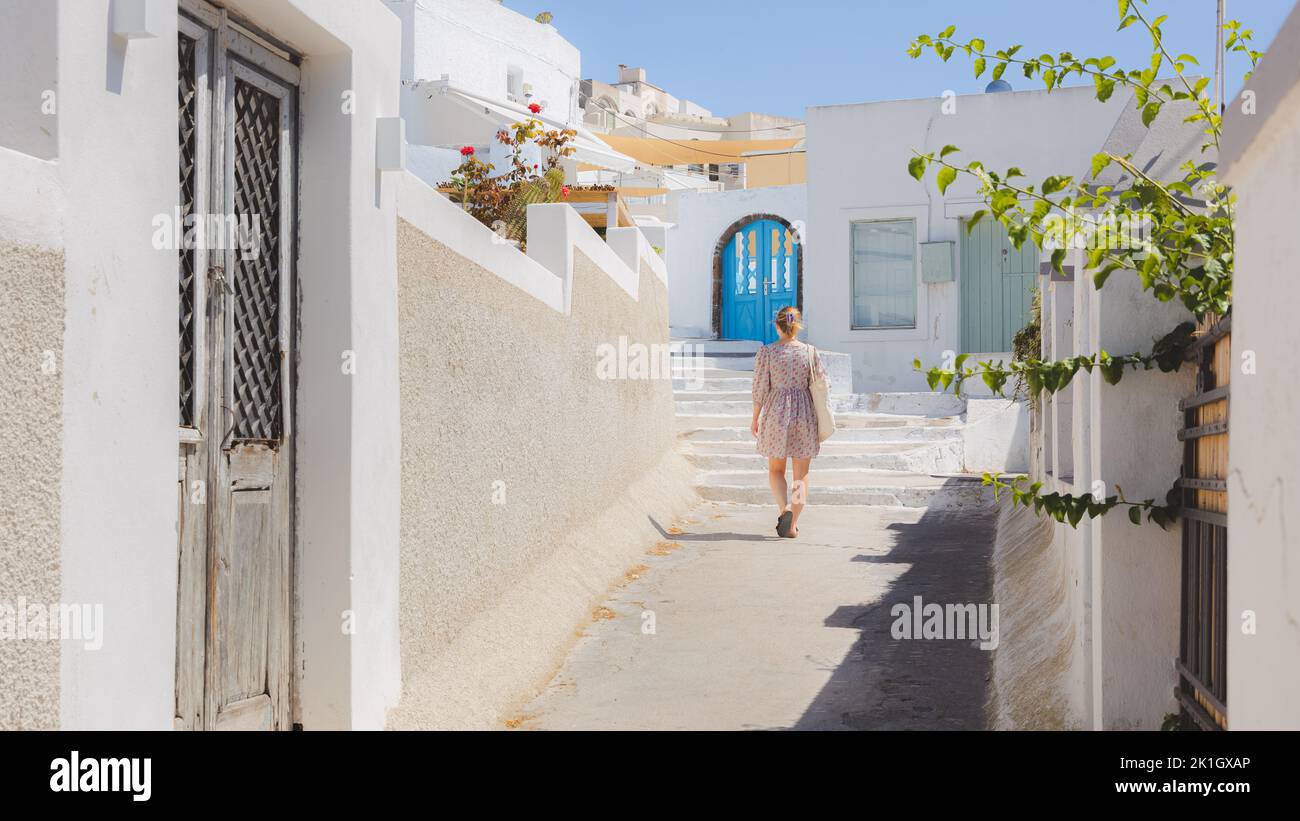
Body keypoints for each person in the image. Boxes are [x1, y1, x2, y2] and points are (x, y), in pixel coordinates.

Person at [750, 306, 825, 538]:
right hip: (804, 413)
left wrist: (755, 417)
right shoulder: (810, 352)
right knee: (801, 475)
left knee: (776, 469)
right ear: (797, 325)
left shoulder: (768, 352)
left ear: (777, 325)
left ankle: (784, 510)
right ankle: (792, 524)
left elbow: (760, 387)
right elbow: (822, 383)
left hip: (776, 413)